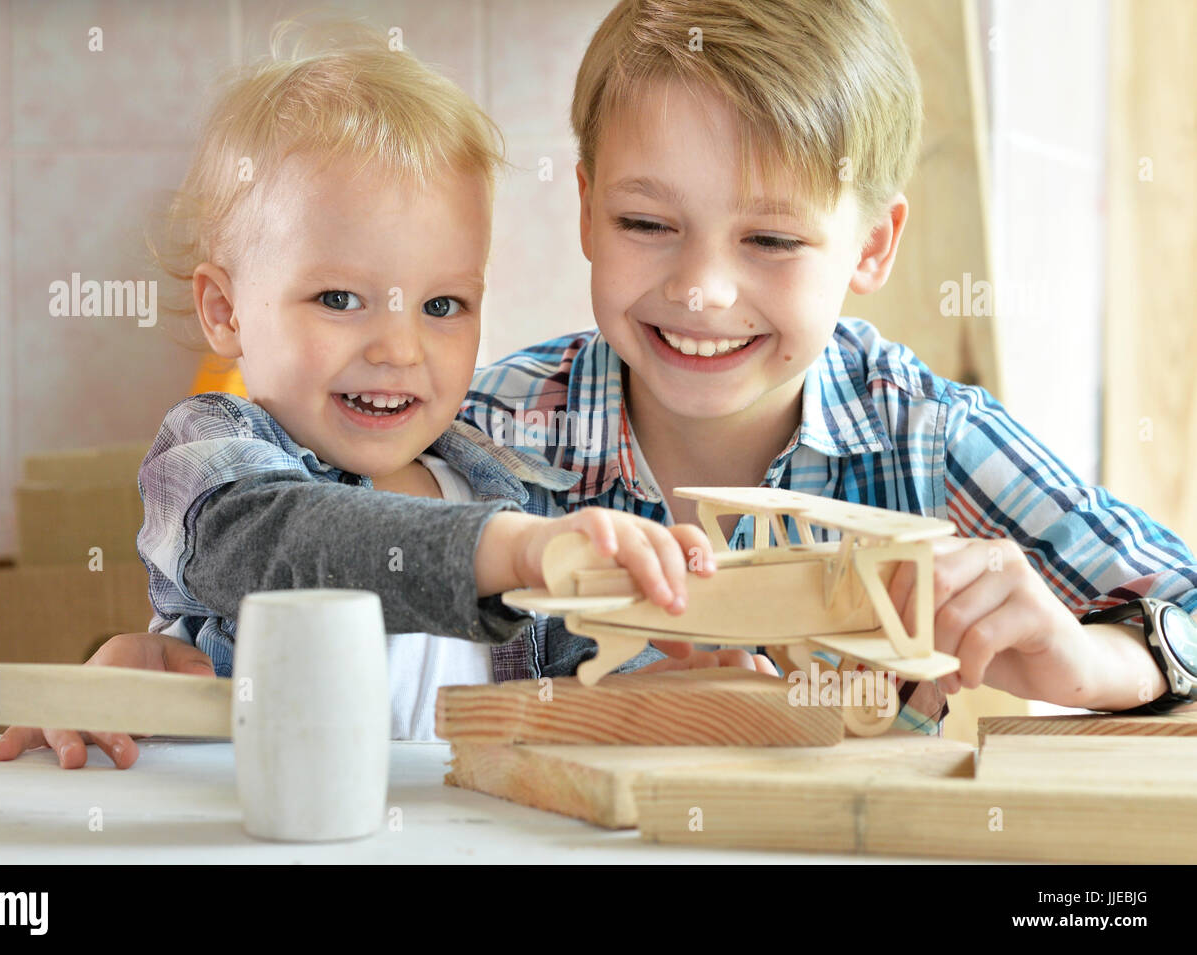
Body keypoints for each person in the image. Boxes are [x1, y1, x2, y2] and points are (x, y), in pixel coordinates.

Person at [0, 22, 772, 770]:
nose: (399, 349)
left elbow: (577, 672)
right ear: (225, 311)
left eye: (442, 307)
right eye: (338, 298)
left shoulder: (502, 486)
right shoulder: (210, 458)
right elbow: (284, 545)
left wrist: (667, 687)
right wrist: (503, 550)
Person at [460, 0, 1197, 734]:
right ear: (588, 212)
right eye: (646, 224)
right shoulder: (488, 431)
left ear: (873, 245)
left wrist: (1097, 662)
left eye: (772, 239)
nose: (700, 291)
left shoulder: (924, 435)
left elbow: (1184, 599)